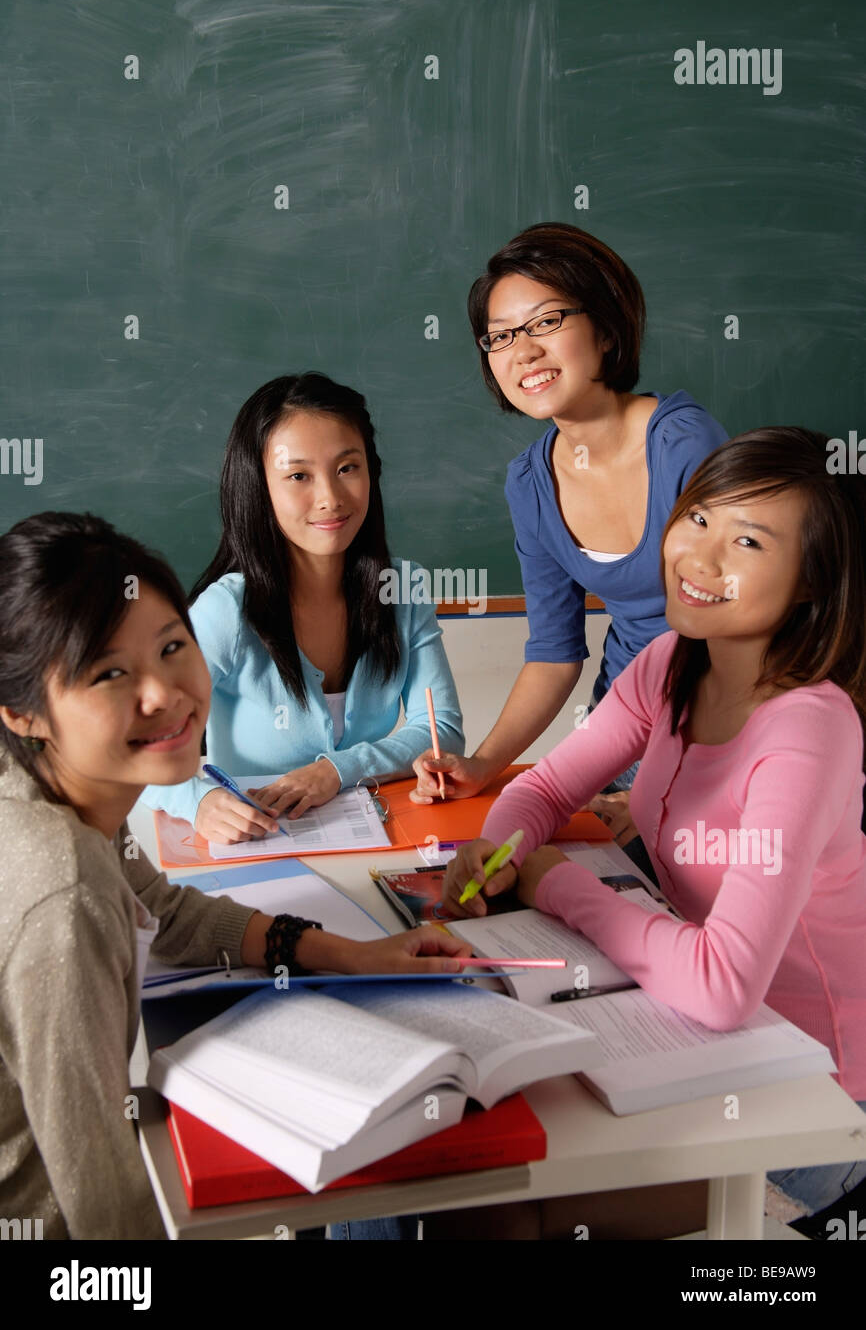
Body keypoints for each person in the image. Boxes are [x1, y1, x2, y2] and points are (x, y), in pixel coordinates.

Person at [0, 512, 470, 1239]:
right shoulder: (63, 894)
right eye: (109, 674)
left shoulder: (52, 790)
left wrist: (348, 954)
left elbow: (168, 911)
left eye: (170, 647)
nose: (166, 694)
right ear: (24, 713)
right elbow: (106, 1213)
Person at [441, 427, 866, 1228]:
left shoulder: (807, 729)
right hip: (692, 1033)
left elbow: (722, 984)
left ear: (812, 581)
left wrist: (554, 882)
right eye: (698, 517)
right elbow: (548, 788)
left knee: (508, 1207)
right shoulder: (671, 661)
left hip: (819, 1095)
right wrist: (498, 848)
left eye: (746, 541)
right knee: (474, 1158)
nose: (699, 558)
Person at [412, 222, 728, 862]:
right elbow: (555, 652)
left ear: (607, 329)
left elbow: (741, 631)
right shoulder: (529, 483)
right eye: (500, 336)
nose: (521, 351)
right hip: (623, 725)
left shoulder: (684, 444)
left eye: (546, 321)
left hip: (718, 727)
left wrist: (661, 787)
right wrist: (484, 762)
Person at [142, 373, 464, 843]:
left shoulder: (404, 587)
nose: (331, 498)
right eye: (298, 476)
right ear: (259, 486)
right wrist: (198, 802)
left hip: (383, 844)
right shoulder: (226, 611)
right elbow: (133, 741)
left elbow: (442, 733)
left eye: (347, 468)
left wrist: (334, 771)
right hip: (263, 853)